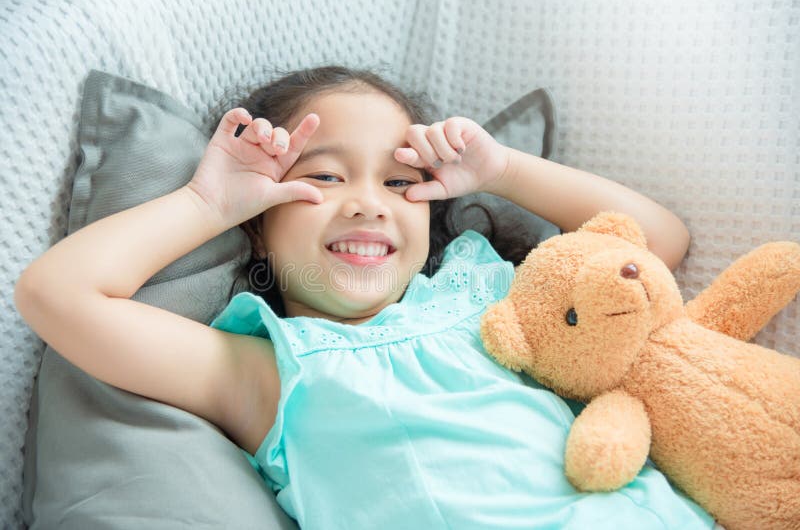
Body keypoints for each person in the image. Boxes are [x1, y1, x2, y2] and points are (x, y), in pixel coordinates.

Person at [15, 65, 714, 529]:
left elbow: (656, 246)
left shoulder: (494, 296)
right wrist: (208, 202)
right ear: (259, 229)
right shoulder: (269, 372)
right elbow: (56, 294)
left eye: (400, 182)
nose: (367, 205)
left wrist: (502, 168)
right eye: (322, 178)